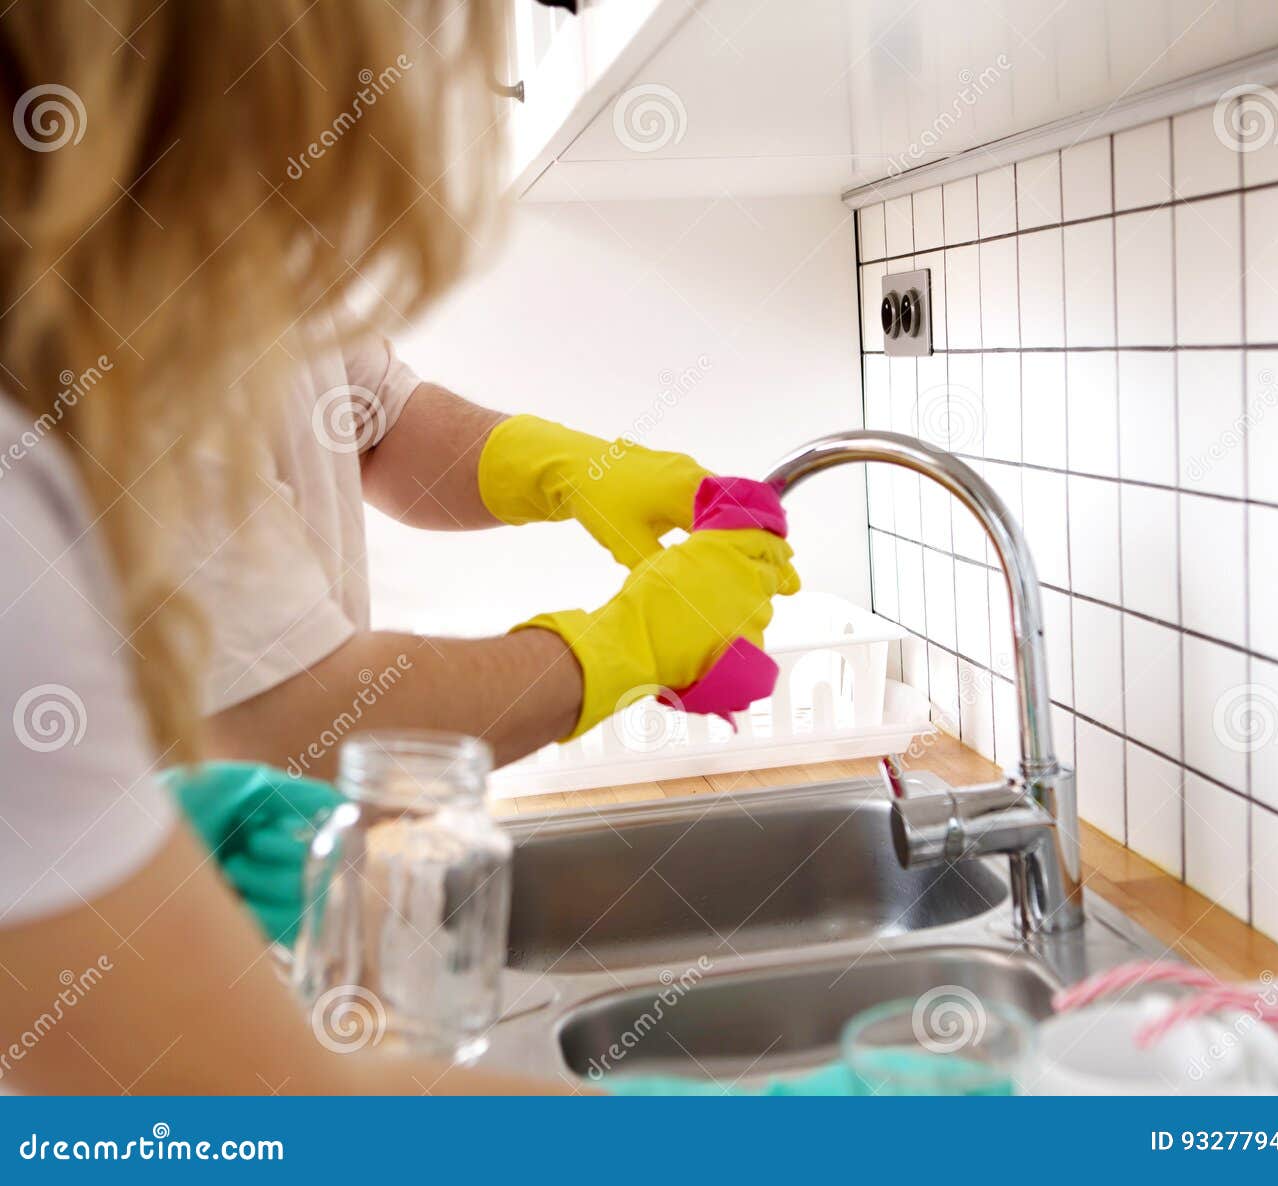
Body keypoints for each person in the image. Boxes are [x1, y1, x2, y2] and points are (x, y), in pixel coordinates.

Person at [0, 1, 791, 1094]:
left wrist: (566, 468)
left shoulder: (234, 231)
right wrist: (626, 645)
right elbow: (297, 715)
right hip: (141, 959)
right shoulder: (111, 328)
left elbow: (370, 413)